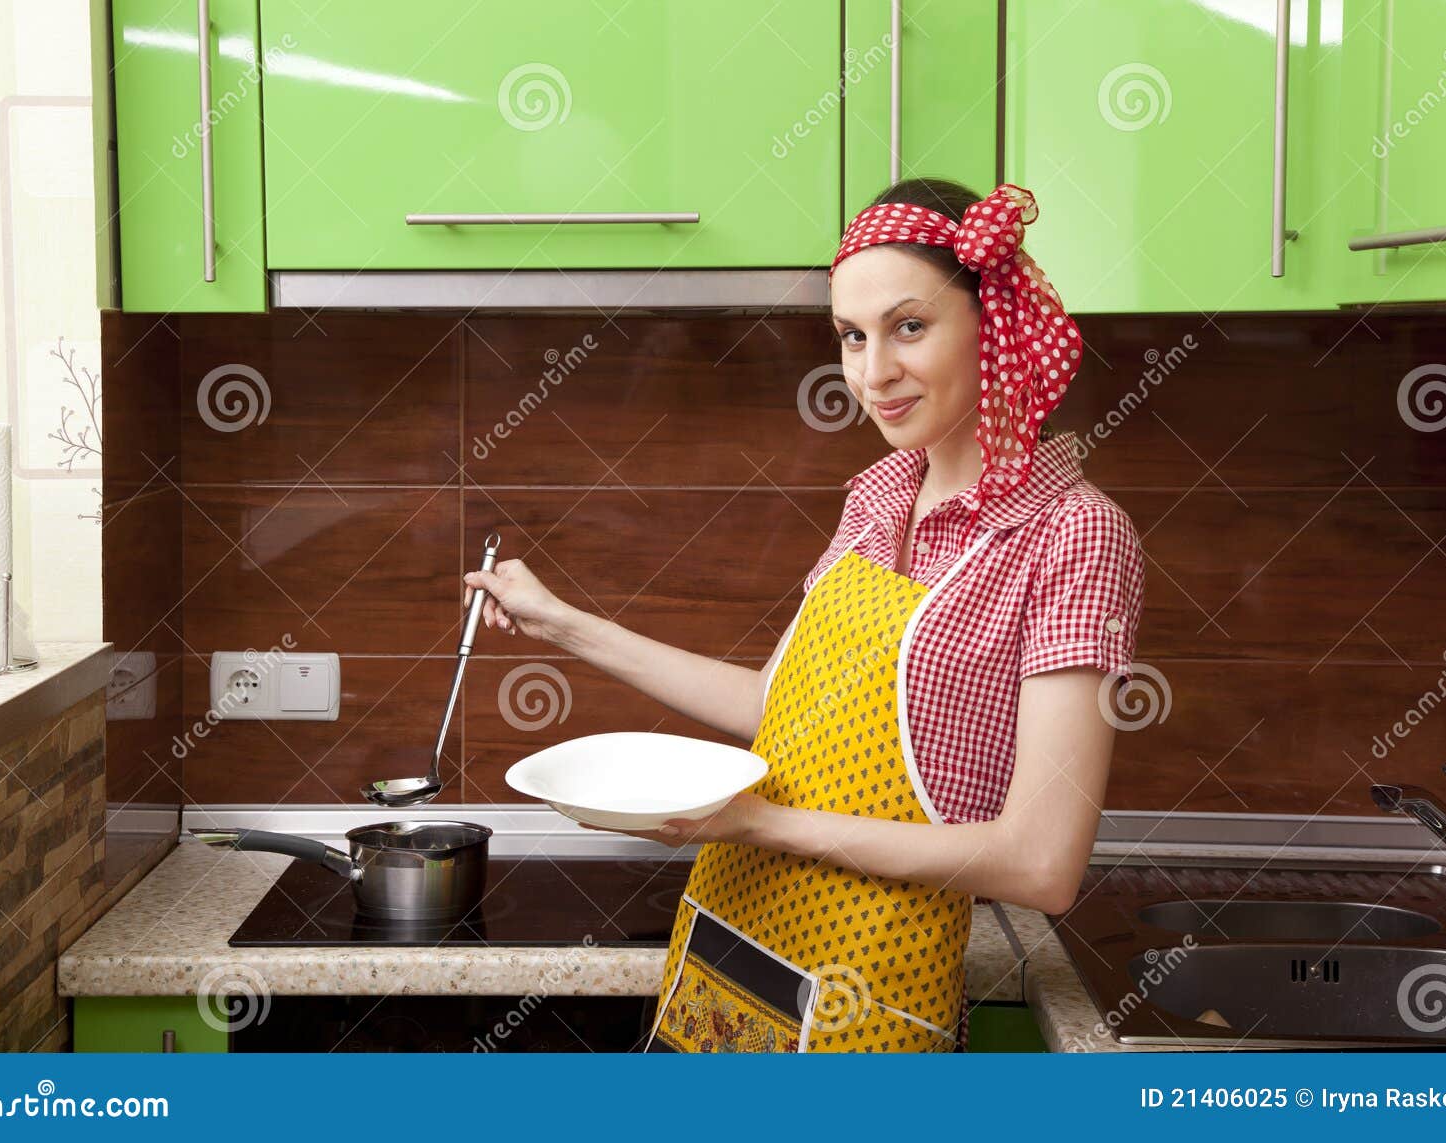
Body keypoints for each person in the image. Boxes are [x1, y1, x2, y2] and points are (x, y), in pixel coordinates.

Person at [463, 178, 1146, 1052]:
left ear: (994, 320)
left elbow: (1041, 863)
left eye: (909, 326)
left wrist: (756, 822)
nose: (873, 373)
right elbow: (774, 708)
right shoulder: (876, 495)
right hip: (728, 943)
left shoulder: (1074, 533)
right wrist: (560, 623)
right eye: (852, 338)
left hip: (870, 991)